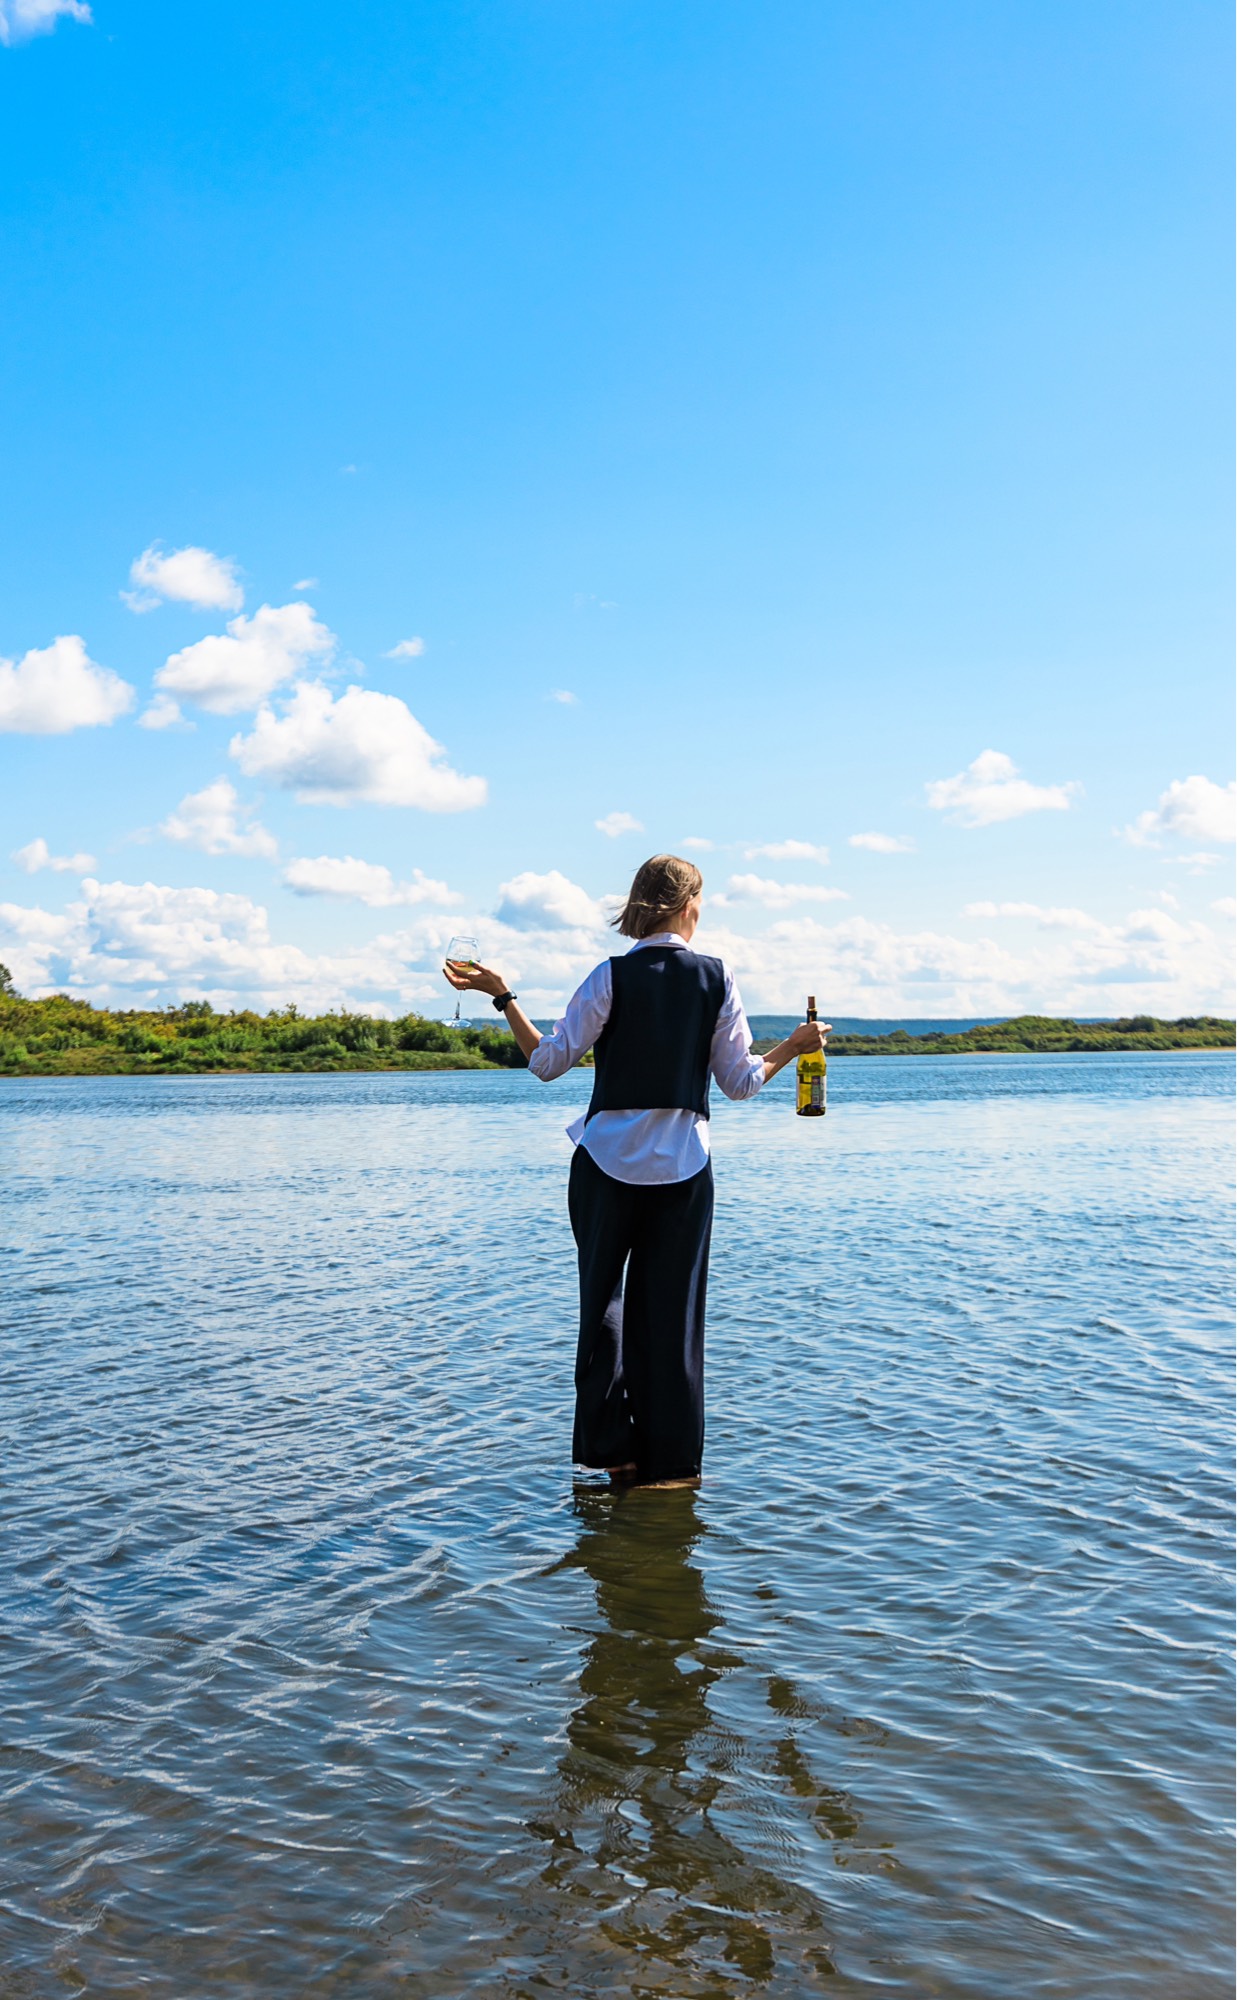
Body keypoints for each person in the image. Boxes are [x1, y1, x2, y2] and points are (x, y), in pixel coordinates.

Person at [444, 853, 830, 1486]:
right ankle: (673, 1469)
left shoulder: (610, 976)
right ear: (688, 906)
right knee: (674, 1320)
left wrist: (503, 996)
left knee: (605, 1308)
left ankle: (612, 1455)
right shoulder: (718, 976)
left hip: (602, 1167)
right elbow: (738, 1084)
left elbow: (547, 1064)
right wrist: (793, 1046)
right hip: (684, 1173)